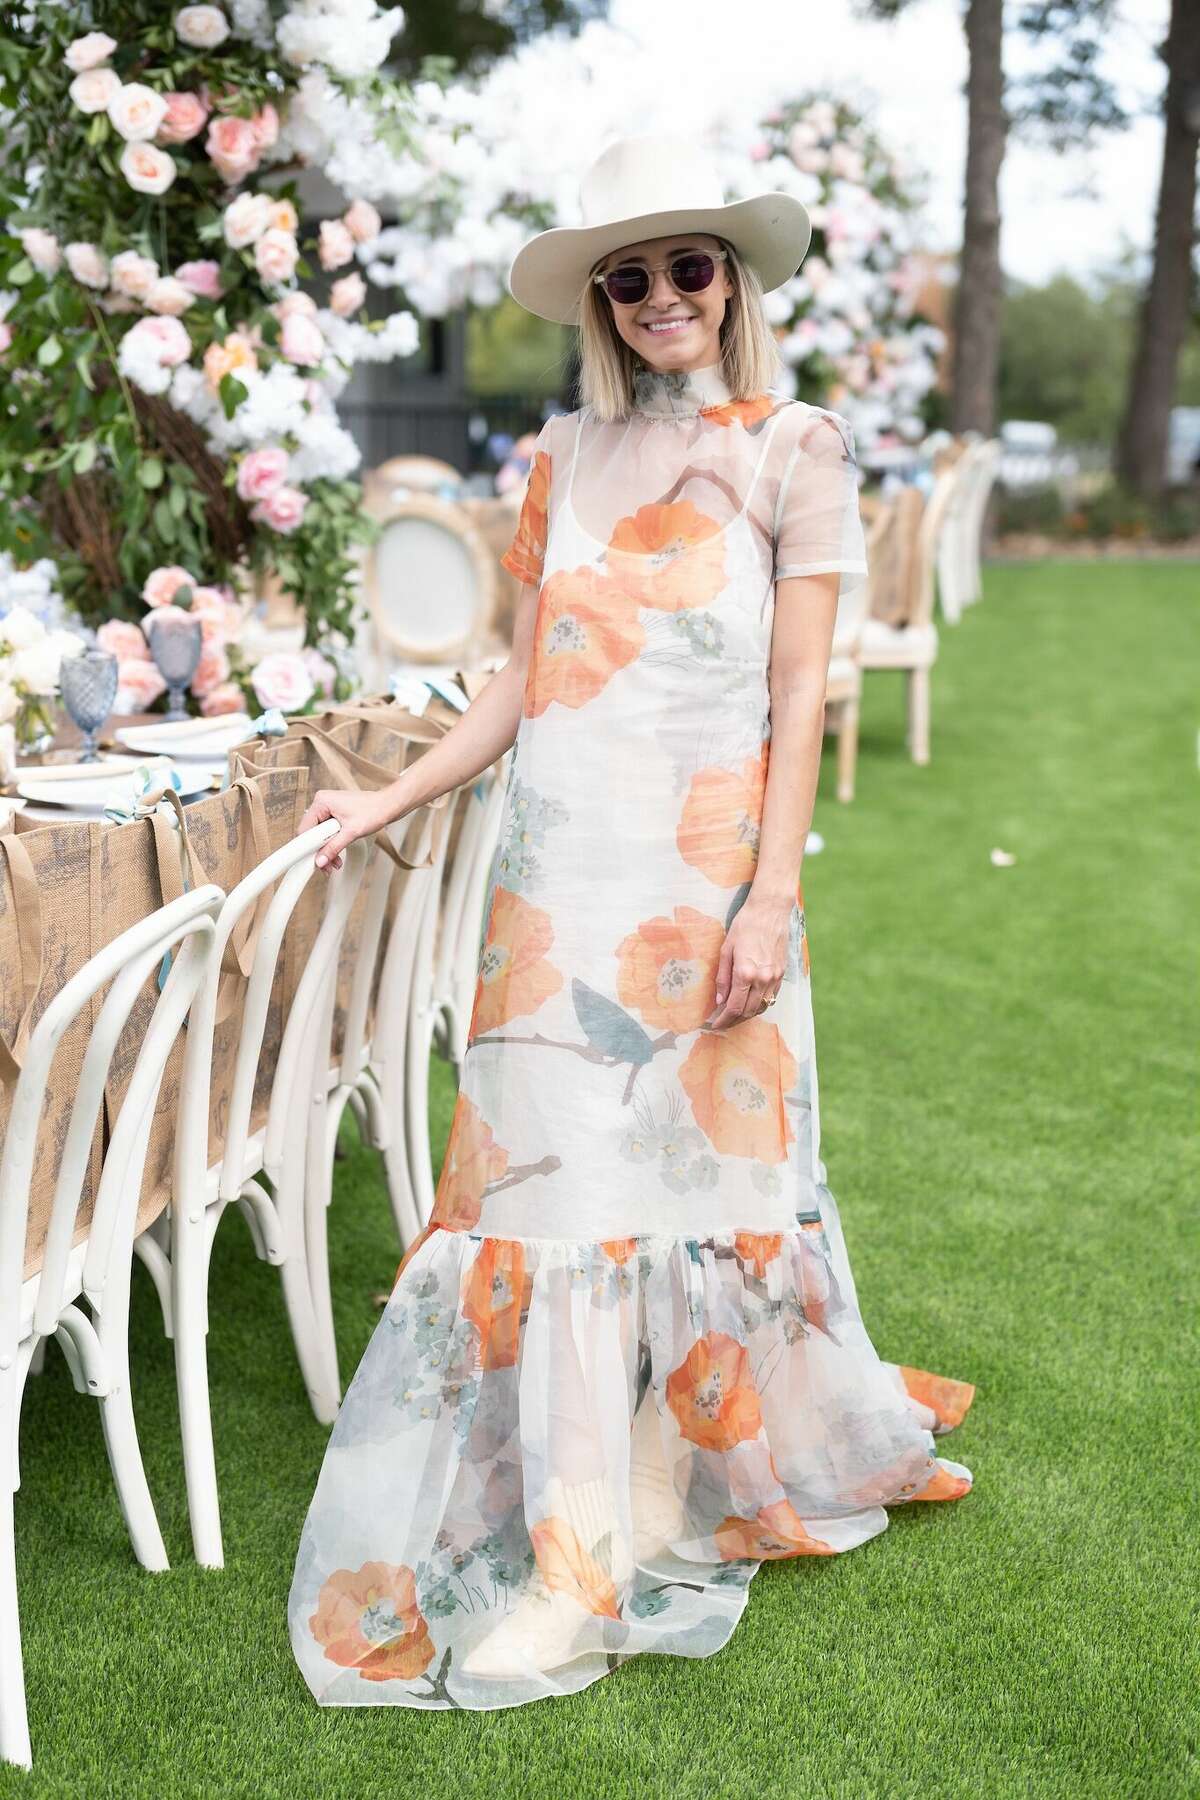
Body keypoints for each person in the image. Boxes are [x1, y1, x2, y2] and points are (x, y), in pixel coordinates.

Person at [287, 132, 975, 1712]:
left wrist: (774, 895)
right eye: (632, 274)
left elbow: (801, 692)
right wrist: (385, 803)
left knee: (686, 1195)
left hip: (707, 891)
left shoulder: (799, 446)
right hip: (555, 896)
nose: (664, 294)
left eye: (689, 265)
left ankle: (616, 1520)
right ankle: (583, 1545)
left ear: (729, 282)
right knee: (552, 1208)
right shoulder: (556, 459)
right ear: (602, 301)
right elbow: (523, 683)